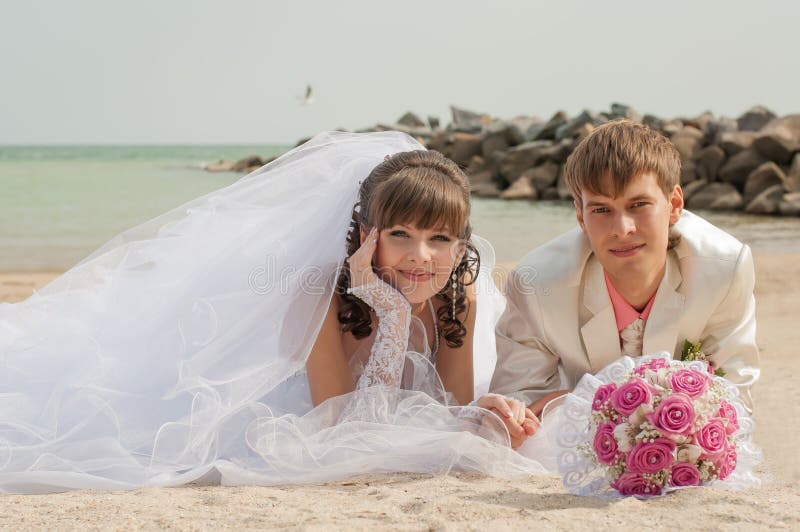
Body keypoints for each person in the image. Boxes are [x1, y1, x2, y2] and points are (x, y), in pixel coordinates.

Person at [0, 131, 543, 494]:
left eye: (440, 238)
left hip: (365, 421)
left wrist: (481, 411)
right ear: (365, 235)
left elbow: (444, 409)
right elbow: (346, 432)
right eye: (399, 234)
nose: (420, 256)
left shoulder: (457, 297)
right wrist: (392, 315)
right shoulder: (318, 297)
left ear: (461, 244)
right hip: (289, 416)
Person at [490, 120, 760, 429]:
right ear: (580, 217)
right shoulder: (537, 284)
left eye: (639, 204)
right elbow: (518, 402)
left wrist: (584, 400)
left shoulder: (724, 268)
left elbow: (735, 398)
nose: (622, 229)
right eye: (601, 210)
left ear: (674, 204)